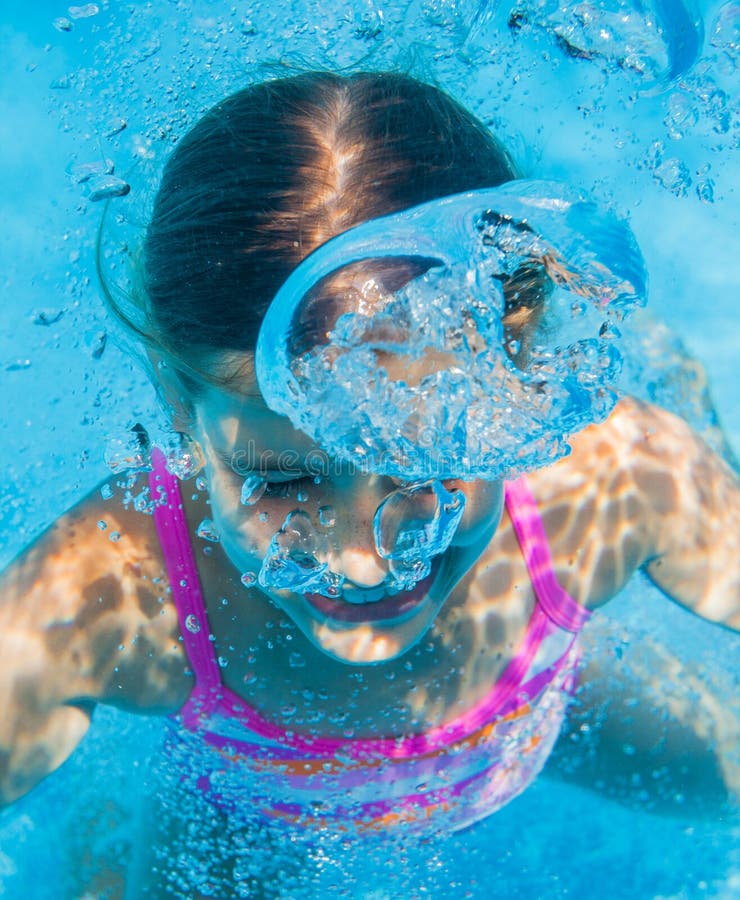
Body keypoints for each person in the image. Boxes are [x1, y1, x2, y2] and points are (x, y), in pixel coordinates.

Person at [1, 71, 738, 892]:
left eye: (426, 458)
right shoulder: (118, 588)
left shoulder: (612, 478)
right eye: (280, 482)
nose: (366, 563)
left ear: (517, 375)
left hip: (537, 719)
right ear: (178, 399)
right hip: (250, 804)